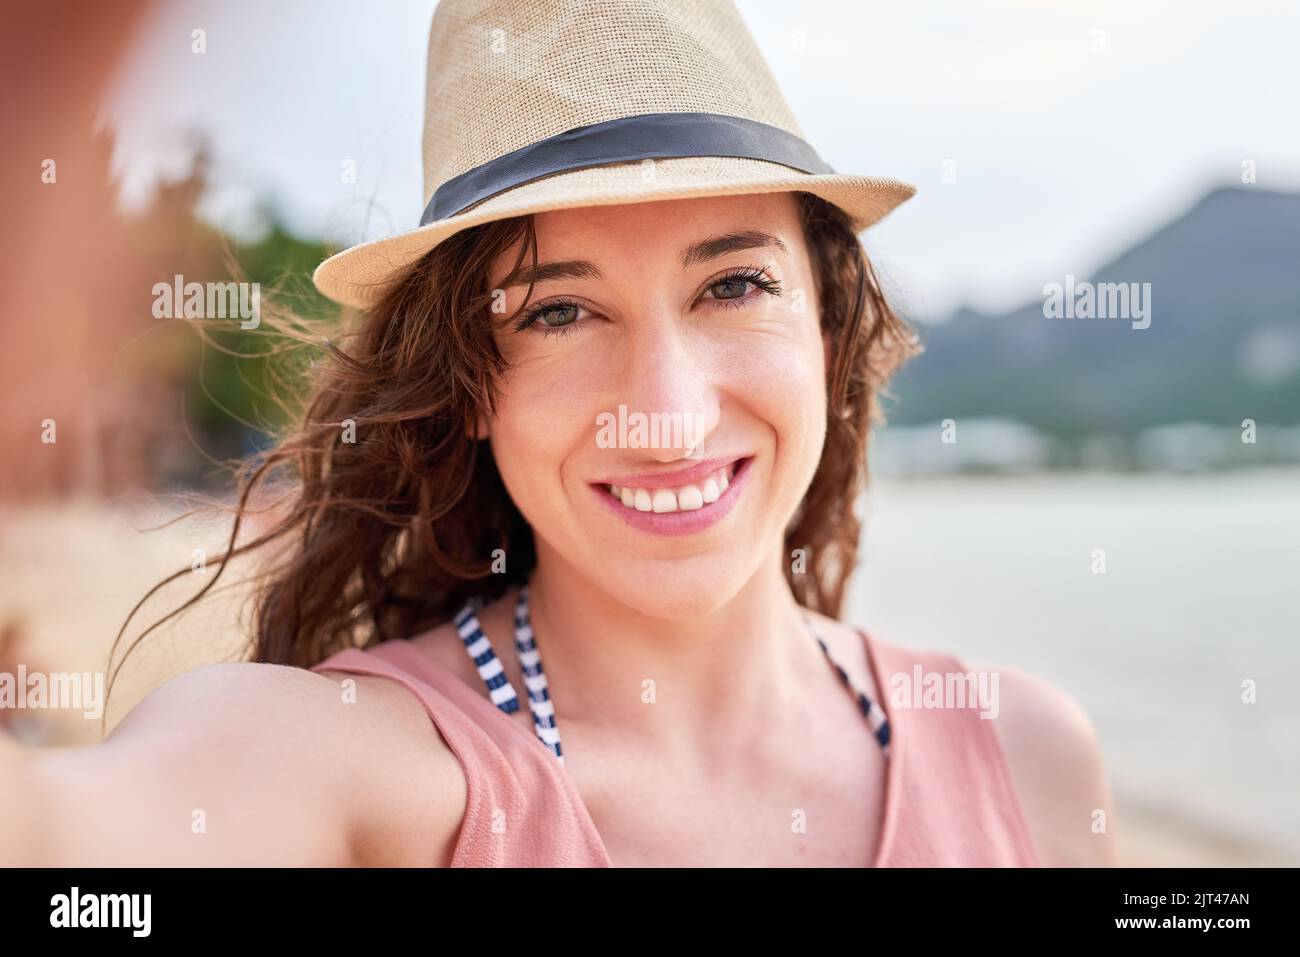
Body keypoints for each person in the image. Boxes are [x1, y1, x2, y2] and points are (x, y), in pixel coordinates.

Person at [0, 0, 1116, 867]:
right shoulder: (362, 768)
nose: (669, 413)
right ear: (472, 383)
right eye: (558, 311)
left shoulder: (1030, 758)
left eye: (732, 284)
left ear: (825, 326)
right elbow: (64, 842)